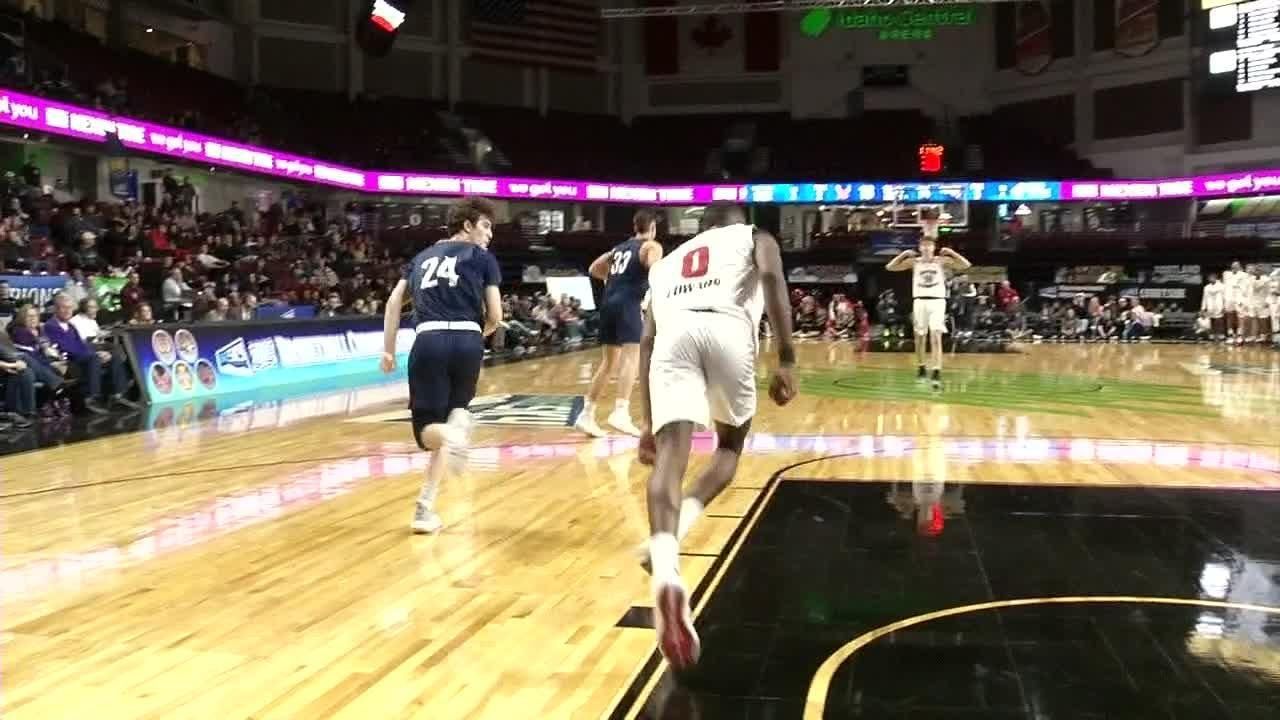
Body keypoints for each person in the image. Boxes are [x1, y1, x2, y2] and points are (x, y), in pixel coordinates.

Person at [636, 202, 797, 670]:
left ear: (702, 228)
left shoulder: (666, 263)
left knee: (670, 458)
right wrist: (786, 357)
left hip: (674, 335)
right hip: (728, 327)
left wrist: (647, 422)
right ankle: (677, 534)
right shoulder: (753, 236)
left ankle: (666, 569)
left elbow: (646, 341)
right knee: (727, 450)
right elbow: (771, 282)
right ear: (737, 221)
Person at [380, 197, 503, 534]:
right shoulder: (482, 258)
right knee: (453, 420)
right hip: (467, 341)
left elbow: (393, 303)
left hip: (429, 341)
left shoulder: (420, 259)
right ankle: (424, 507)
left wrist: (388, 350)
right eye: (486, 226)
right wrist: (478, 334)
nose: (490, 234)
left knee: (428, 434)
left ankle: (450, 443)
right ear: (467, 225)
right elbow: (496, 316)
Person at [575, 210, 663, 437]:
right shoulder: (651, 246)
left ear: (635, 227)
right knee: (633, 356)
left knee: (609, 362)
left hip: (608, 303)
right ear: (652, 228)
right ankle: (620, 412)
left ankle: (587, 414)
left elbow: (594, 268)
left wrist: (614, 280)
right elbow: (656, 270)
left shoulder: (619, 249)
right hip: (628, 303)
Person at [885, 216, 971, 390]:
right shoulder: (914, 262)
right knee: (920, 337)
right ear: (919, 247)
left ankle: (937, 370)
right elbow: (890, 267)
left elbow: (966, 265)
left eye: (929, 245)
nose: (926, 248)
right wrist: (903, 254)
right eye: (923, 245)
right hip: (919, 301)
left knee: (936, 336)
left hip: (937, 302)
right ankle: (921, 367)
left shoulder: (941, 261)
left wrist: (952, 253)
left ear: (933, 247)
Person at [1202, 273, 1226, 342]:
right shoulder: (1206, 287)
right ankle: (1213, 334)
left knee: (1219, 320)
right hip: (1210, 305)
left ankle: (1221, 334)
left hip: (1219, 304)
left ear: (1216, 278)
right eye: (1210, 278)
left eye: (1213, 278)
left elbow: (1224, 296)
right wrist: (1203, 308)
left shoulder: (1221, 286)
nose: (1211, 279)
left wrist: (1224, 306)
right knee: (1212, 320)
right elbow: (1204, 298)